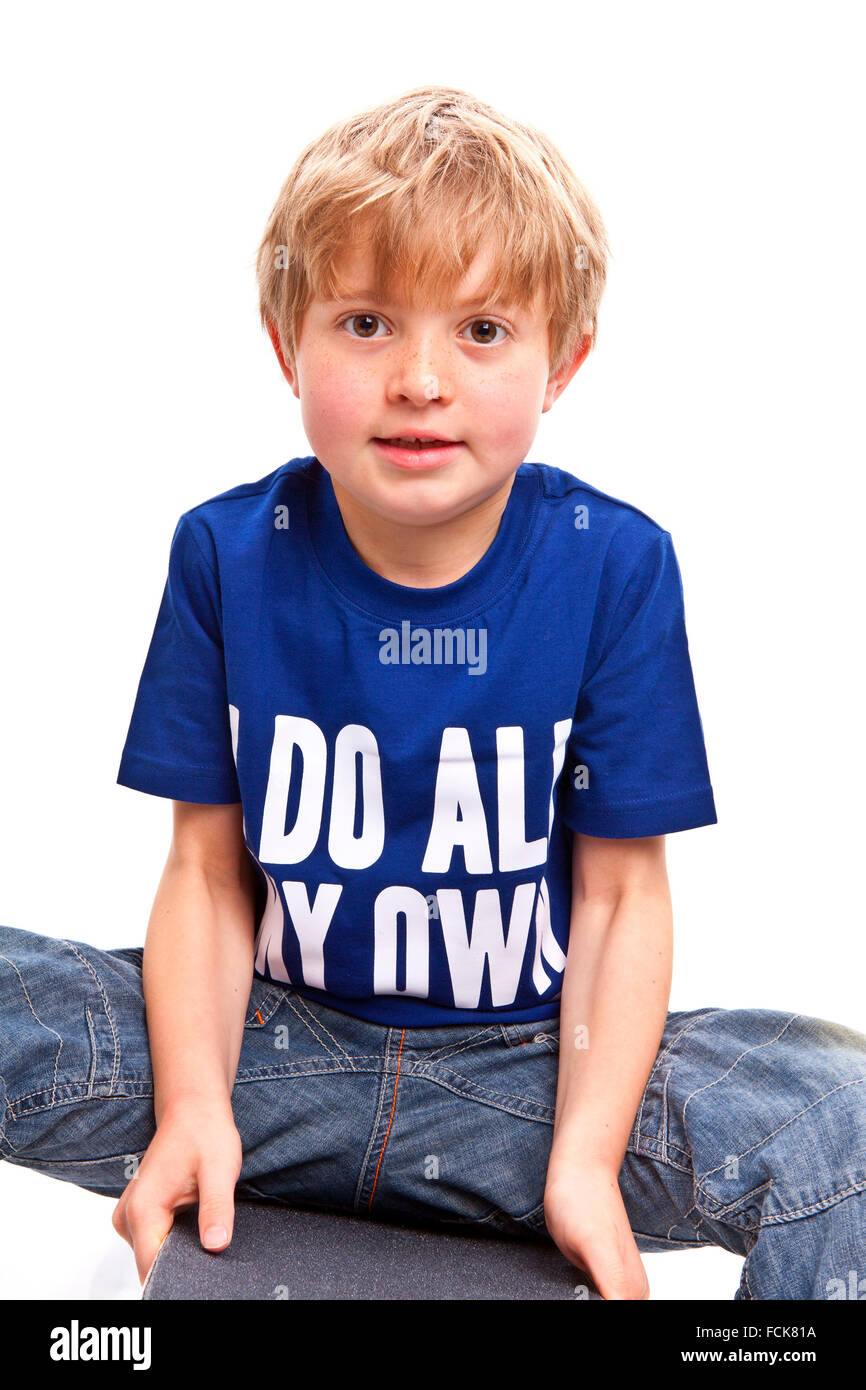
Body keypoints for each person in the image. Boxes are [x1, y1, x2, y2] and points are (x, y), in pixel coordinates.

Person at [1, 85, 864, 1303]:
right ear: (282, 342)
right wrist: (193, 1108)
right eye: (364, 322)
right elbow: (205, 871)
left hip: (527, 1084)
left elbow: (619, 898)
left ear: (561, 360)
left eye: (480, 331)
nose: (418, 379)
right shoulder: (224, 552)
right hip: (267, 1054)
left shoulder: (613, 564)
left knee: (842, 1110)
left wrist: (585, 1158)